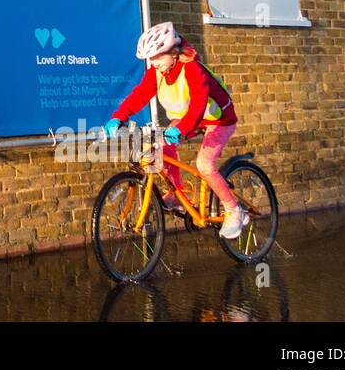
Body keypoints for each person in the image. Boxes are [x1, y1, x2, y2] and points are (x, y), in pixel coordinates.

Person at [103, 22, 247, 239]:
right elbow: (140, 95)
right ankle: (178, 193)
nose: (154, 63)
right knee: (161, 148)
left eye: (158, 57)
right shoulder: (157, 72)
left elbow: (199, 103)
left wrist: (182, 129)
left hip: (219, 120)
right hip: (189, 119)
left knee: (204, 165)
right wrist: (118, 117)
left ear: (173, 52)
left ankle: (234, 211)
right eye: (151, 59)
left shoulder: (192, 68)